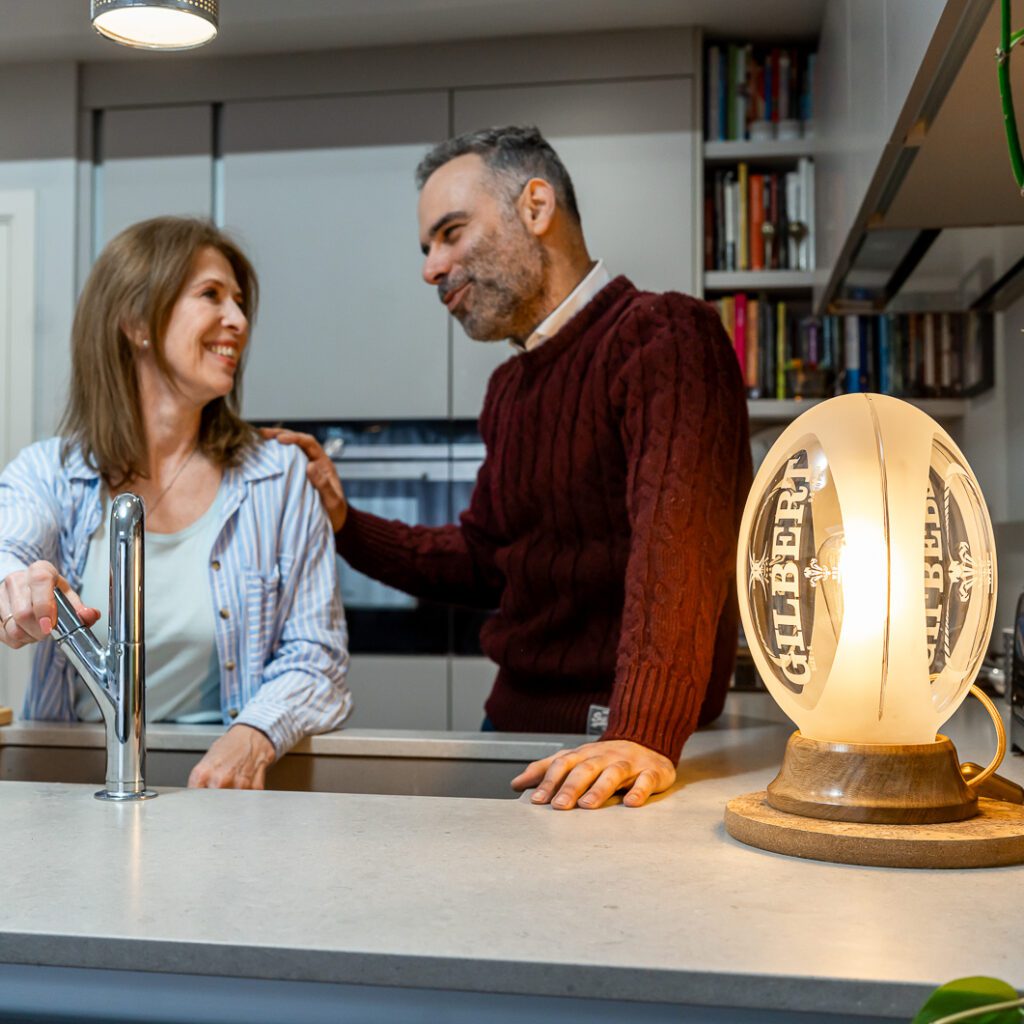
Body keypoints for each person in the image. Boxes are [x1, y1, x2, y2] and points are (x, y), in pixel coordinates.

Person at [270, 126, 751, 809]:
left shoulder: (664, 336)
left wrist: (639, 732)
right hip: (516, 733)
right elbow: (485, 561)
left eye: (451, 233)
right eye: (427, 249)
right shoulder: (510, 388)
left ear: (536, 207)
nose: (431, 270)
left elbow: (680, 546)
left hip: (622, 749)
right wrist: (345, 523)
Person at [0, 216, 351, 789]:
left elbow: (318, 654)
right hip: (68, 787)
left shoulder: (279, 477)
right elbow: (9, 546)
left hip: (219, 786)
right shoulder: (49, 472)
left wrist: (255, 733)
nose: (238, 320)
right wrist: (16, 586)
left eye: (240, 302)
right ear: (137, 321)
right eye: (211, 294)